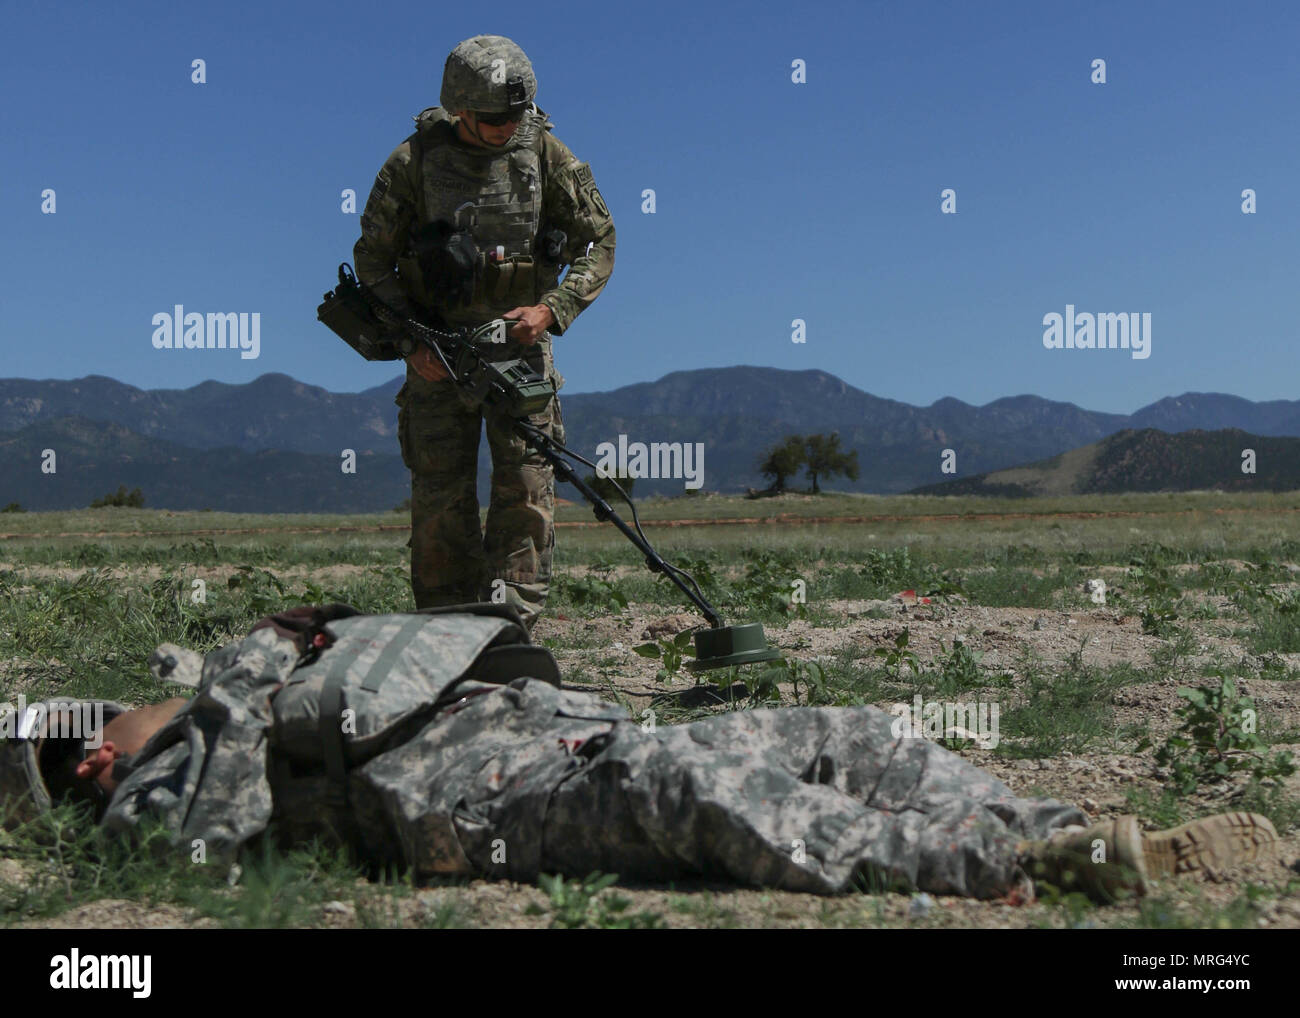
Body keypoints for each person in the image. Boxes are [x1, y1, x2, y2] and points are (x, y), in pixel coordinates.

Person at [1, 608, 1280, 903]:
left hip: (547, 733)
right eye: (94, 721)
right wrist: (242, 672)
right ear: (94, 765)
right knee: (696, 792)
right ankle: (1018, 863)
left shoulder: (217, 699)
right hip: (471, 803)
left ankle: (1073, 822)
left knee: (841, 730)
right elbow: (218, 838)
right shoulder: (161, 793)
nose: (118, 708)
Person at [352, 34, 616, 631]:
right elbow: (372, 262)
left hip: (520, 352)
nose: (508, 126)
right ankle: (446, 629)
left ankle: (509, 626)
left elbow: (600, 242)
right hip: (436, 354)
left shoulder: (548, 156)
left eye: (517, 114)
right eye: (495, 117)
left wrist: (551, 310)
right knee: (441, 496)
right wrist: (409, 343)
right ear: (460, 109)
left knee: (524, 490)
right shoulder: (413, 162)